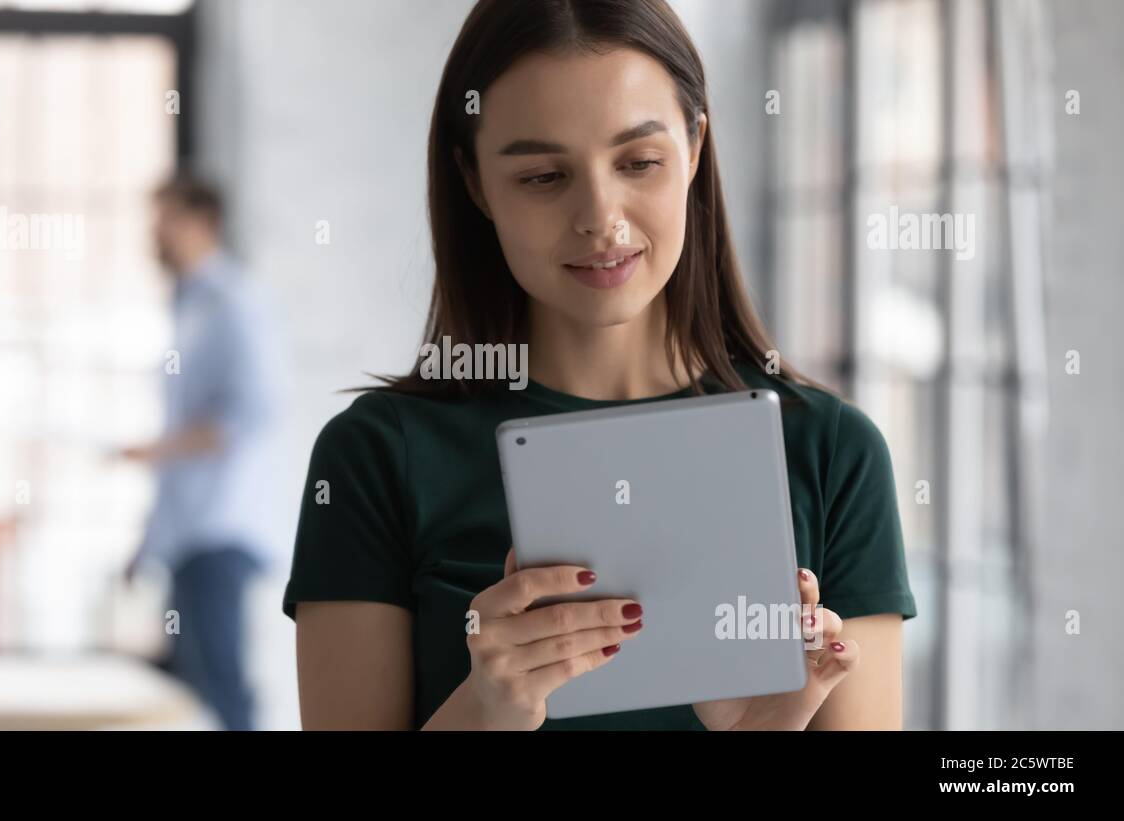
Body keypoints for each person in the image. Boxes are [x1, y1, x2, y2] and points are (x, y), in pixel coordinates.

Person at [284, 0, 917, 730]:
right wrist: (486, 708)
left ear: (696, 148)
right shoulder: (372, 459)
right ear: (475, 183)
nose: (601, 216)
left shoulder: (832, 455)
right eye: (544, 177)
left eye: (639, 162)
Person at [122, 174, 278, 731]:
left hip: (222, 527)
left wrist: (155, 450)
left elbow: (250, 415)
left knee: (221, 682)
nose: (155, 236)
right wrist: (145, 542)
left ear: (203, 221)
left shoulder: (234, 301)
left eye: (165, 222)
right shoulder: (186, 304)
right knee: (192, 683)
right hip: (189, 532)